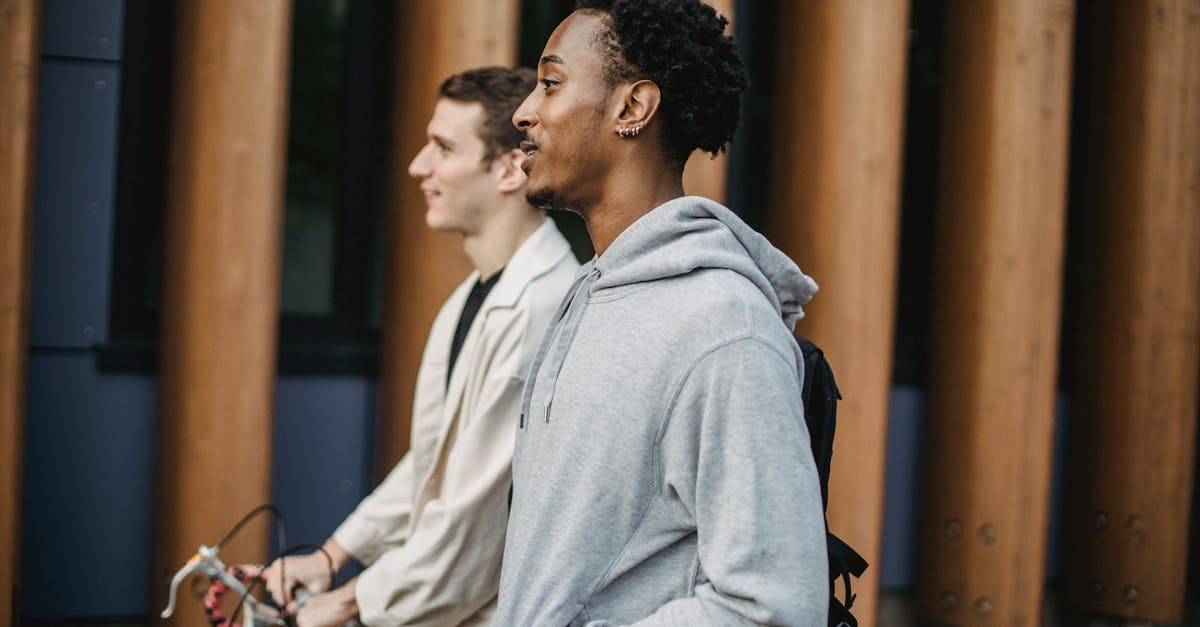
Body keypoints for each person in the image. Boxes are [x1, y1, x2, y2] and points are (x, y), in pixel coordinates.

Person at [496, 1, 828, 625]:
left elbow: (773, 605)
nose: (524, 111)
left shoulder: (725, 328)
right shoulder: (592, 293)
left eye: (551, 83)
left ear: (632, 108)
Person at [261, 66, 579, 626]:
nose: (418, 166)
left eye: (443, 147)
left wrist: (344, 602)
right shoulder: (474, 294)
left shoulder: (538, 309)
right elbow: (434, 461)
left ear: (509, 168)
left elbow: (471, 526)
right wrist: (332, 556)